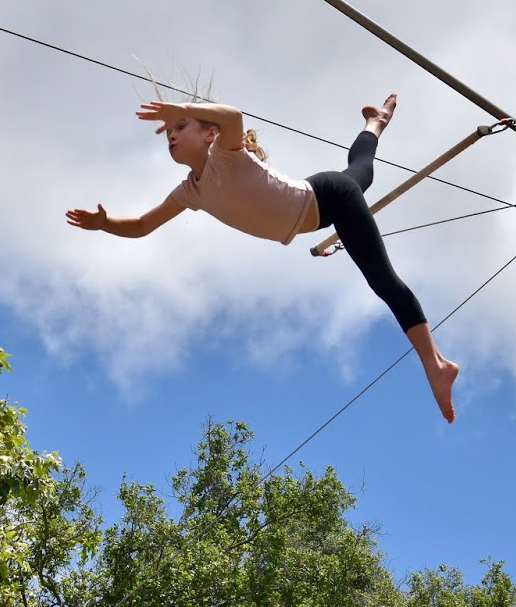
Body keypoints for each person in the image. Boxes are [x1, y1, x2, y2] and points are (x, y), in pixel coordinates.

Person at [66, 93, 459, 422]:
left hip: (329, 197)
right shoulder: (191, 191)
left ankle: (435, 364)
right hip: (321, 212)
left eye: (179, 128)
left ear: (209, 133)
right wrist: (106, 223)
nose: (170, 136)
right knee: (362, 171)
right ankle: (376, 122)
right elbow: (141, 225)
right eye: (168, 132)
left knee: (380, 278)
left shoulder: (226, 154)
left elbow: (234, 116)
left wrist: (180, 107)